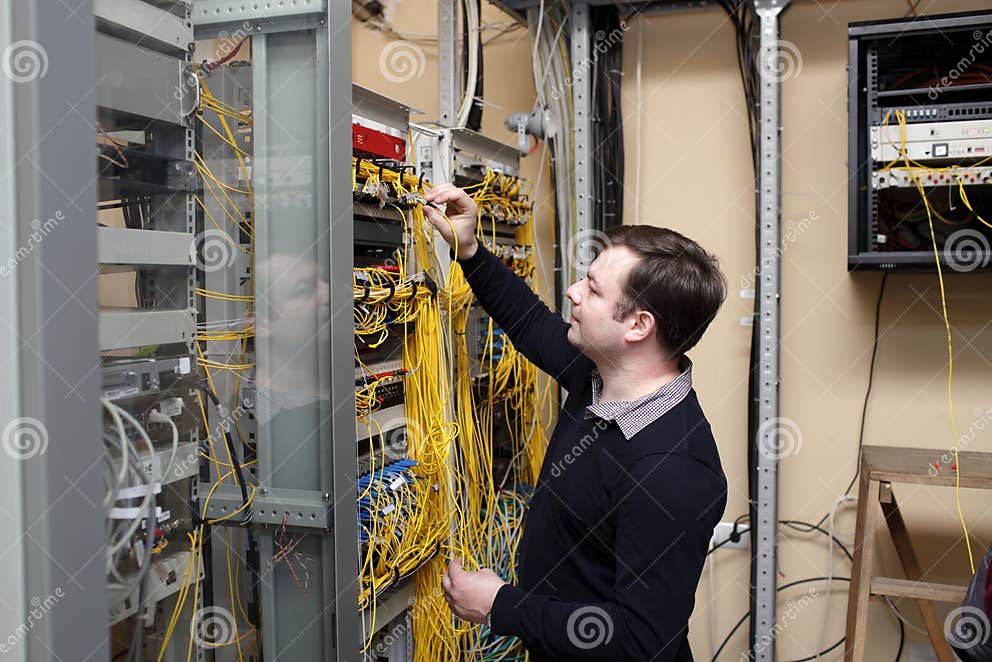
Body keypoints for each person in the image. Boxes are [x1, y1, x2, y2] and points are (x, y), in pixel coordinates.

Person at [423, 183, 729, 662]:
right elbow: (530, 323)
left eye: (592, 287)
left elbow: (639, 642)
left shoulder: (674, 469)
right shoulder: (599, 376)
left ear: (637, 326)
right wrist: (469, 249)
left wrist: (502, 605)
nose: (573, 291)